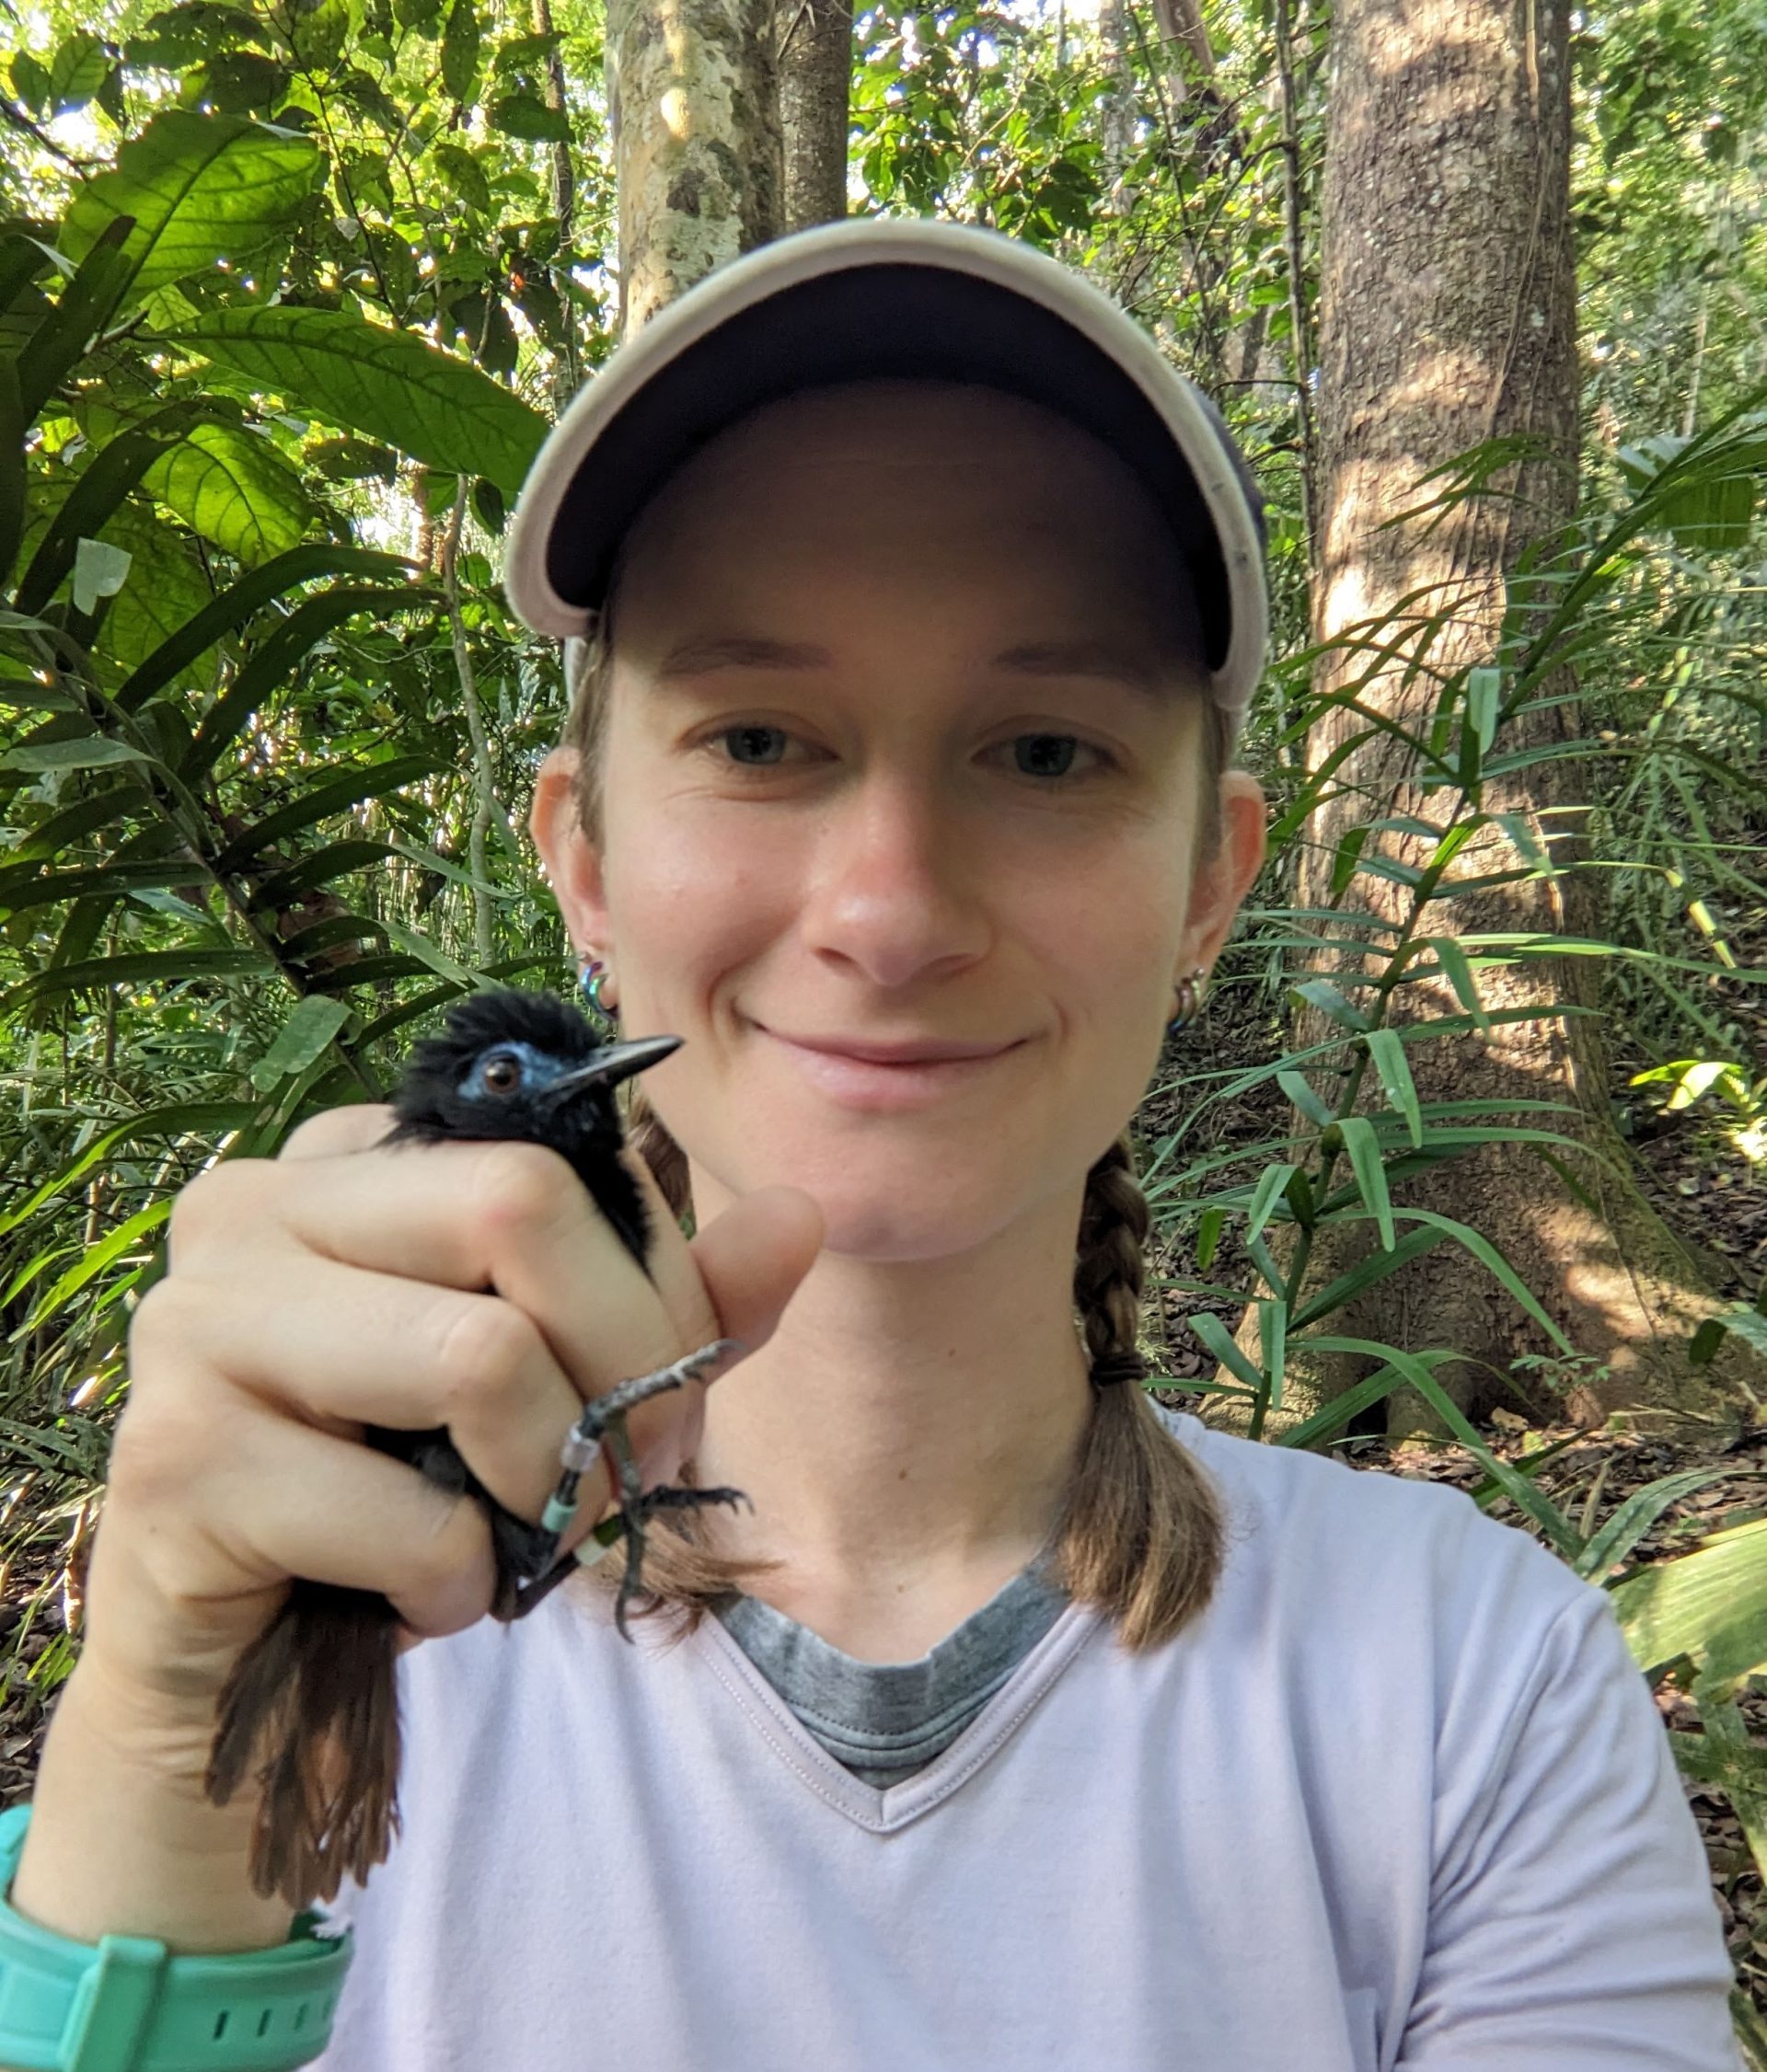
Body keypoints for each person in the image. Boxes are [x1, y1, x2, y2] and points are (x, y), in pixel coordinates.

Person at [0, 223, 1741, 2072]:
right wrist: (172, 1737)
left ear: (1211, 883)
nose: (891, 911)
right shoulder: (335, 1608)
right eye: (761, 737)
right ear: (582, 854)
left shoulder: (1478, 1685)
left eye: (1049, 754)